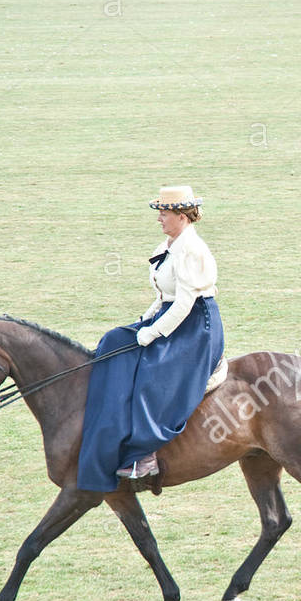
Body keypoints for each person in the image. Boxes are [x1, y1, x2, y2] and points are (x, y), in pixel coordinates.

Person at [77, 186, 226, 491]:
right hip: (172, 317)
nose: (159, 218)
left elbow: (185, 304)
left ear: (182, 216)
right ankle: (109, 432)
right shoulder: (169, 245)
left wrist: (152, 333)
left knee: (151, 374)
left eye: (165, 212)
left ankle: (145, 454)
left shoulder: (191, 250)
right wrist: (144, 322)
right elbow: (165, 297)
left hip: (196, 328)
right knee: (113, 342)